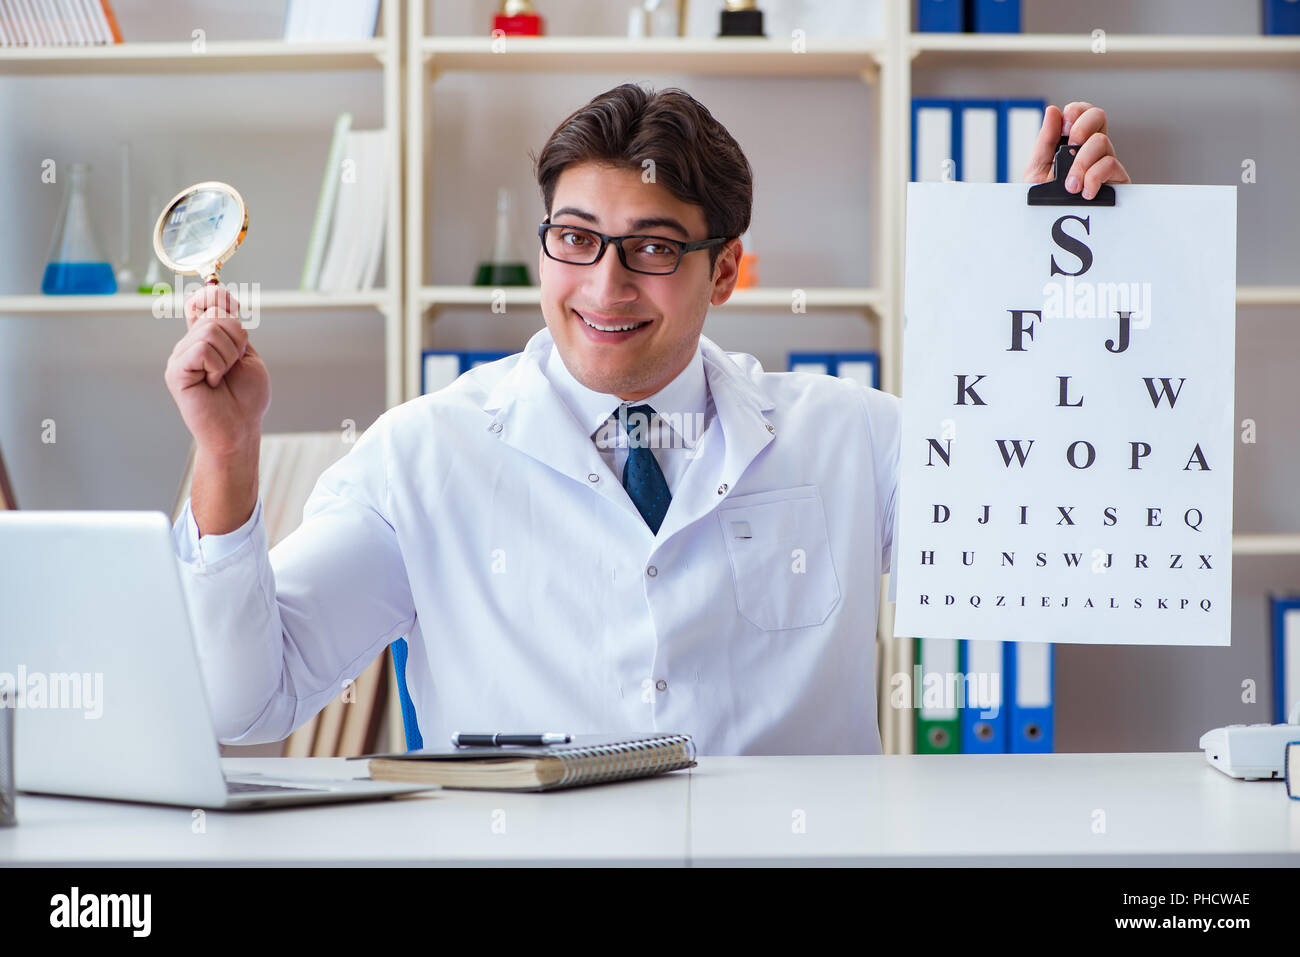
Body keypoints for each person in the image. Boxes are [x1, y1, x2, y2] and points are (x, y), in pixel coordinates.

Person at [164, 84, 1131, 755]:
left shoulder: (851, 438)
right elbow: (244, 702)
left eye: (653, 248)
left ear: (726, 269)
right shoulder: (424, 454)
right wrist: (228, 457)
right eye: (576, 240)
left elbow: (1056, 552)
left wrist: (1055, 275)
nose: (605, 285)